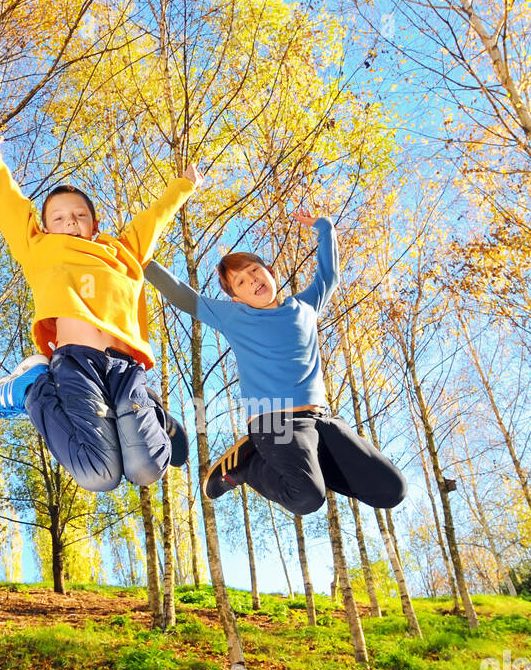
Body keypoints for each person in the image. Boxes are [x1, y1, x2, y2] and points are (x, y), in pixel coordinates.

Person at [0, 132, 198, 492]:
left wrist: (185, 186)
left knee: (147, 469)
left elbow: (154, 219)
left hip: (125, 366)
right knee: (99, 476)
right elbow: (11, 209)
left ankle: (151, 411)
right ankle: (32, 389)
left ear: (94, 224)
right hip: (75, 364)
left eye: (79, 215)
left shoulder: (122, 252)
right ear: (46, 226)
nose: (70, 221)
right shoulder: (40, 248)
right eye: (58, 217)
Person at [143, 210, 406, 515]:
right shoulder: (234, 317)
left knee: (391, 490)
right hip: (274, 422)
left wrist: (324, 228)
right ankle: (249, 464)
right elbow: (182, 296)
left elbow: (329, 275)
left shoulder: (305, 305)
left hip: (320, 421)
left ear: (271, 273)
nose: (252, 280)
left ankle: (308, 464)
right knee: (307, 498)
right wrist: (141, 260)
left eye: (255, 270)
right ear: (237, 298)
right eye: (241, 281)